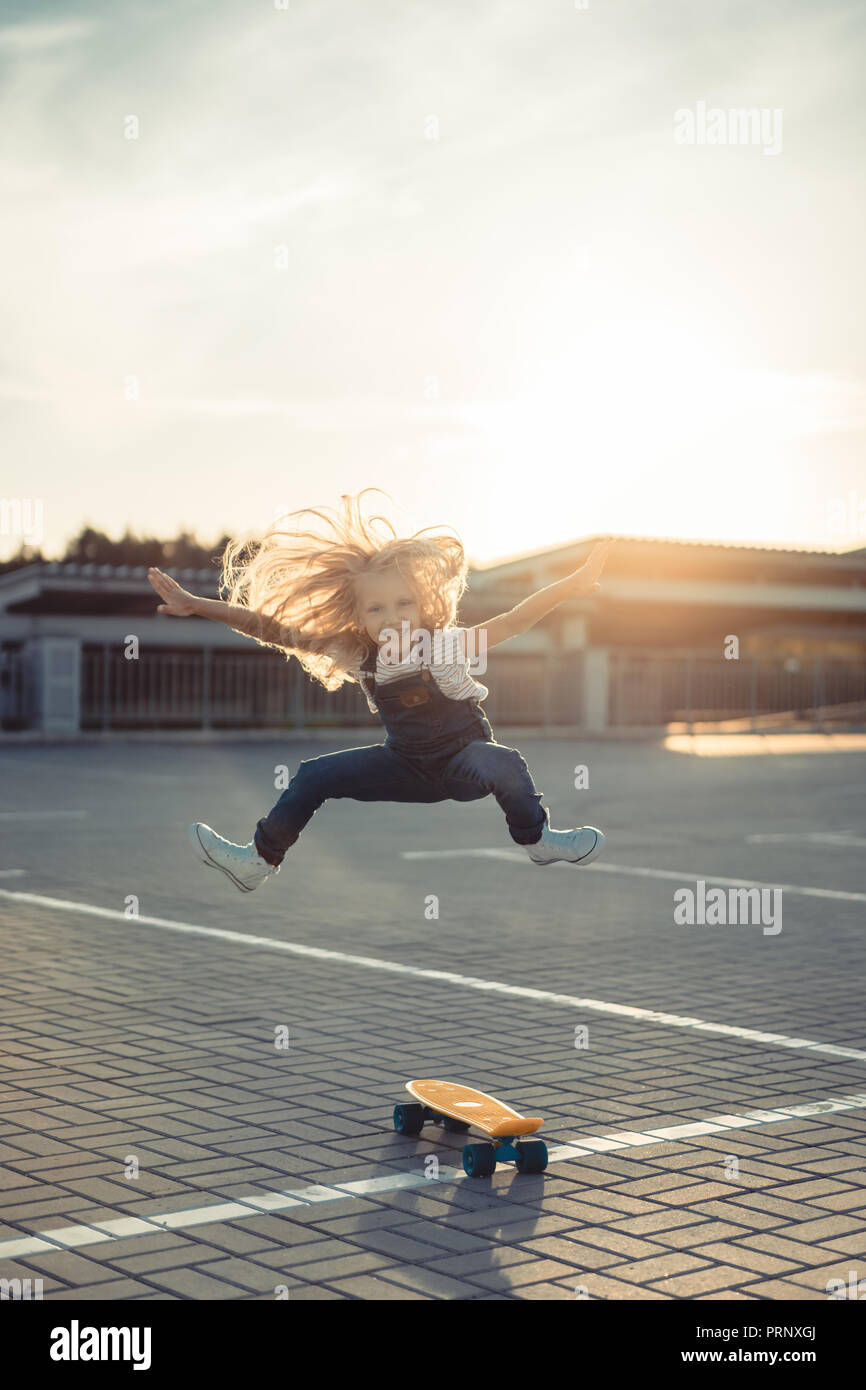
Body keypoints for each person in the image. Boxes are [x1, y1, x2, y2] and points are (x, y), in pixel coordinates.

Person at [147, 490, 611, 893]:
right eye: (377, 609)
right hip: (404, 766)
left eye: (404, 603)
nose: (392, 617)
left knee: (503, 761)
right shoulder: (358, 654)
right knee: (312, 775)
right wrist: (197, 605)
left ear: (424, 605)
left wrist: (570, 585)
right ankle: (258, 861)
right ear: (359, 617)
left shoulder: (445, 645)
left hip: (463, 764)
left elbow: (513, 621)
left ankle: (538, 839)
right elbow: (272, 629)